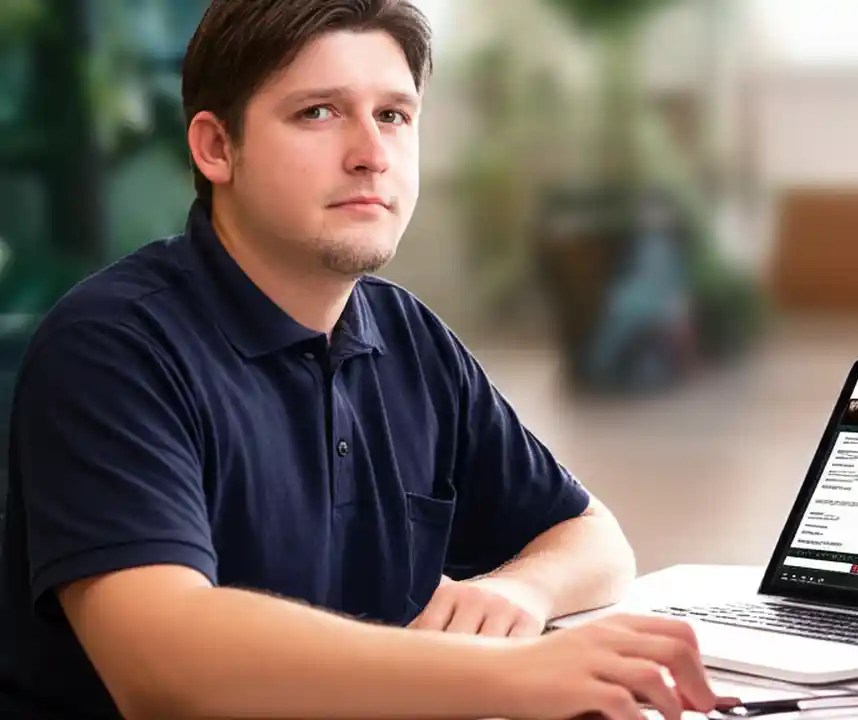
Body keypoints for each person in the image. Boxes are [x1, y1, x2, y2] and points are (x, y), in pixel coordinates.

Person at [0, 1, 715, 718]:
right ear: (217, 147)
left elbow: (592, 539)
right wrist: (513, 675)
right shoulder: (113, 346)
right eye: (318, 113)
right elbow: (162, 664)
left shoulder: (405, 334)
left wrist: (519, 592)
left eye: (394, 115)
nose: (370, 152)